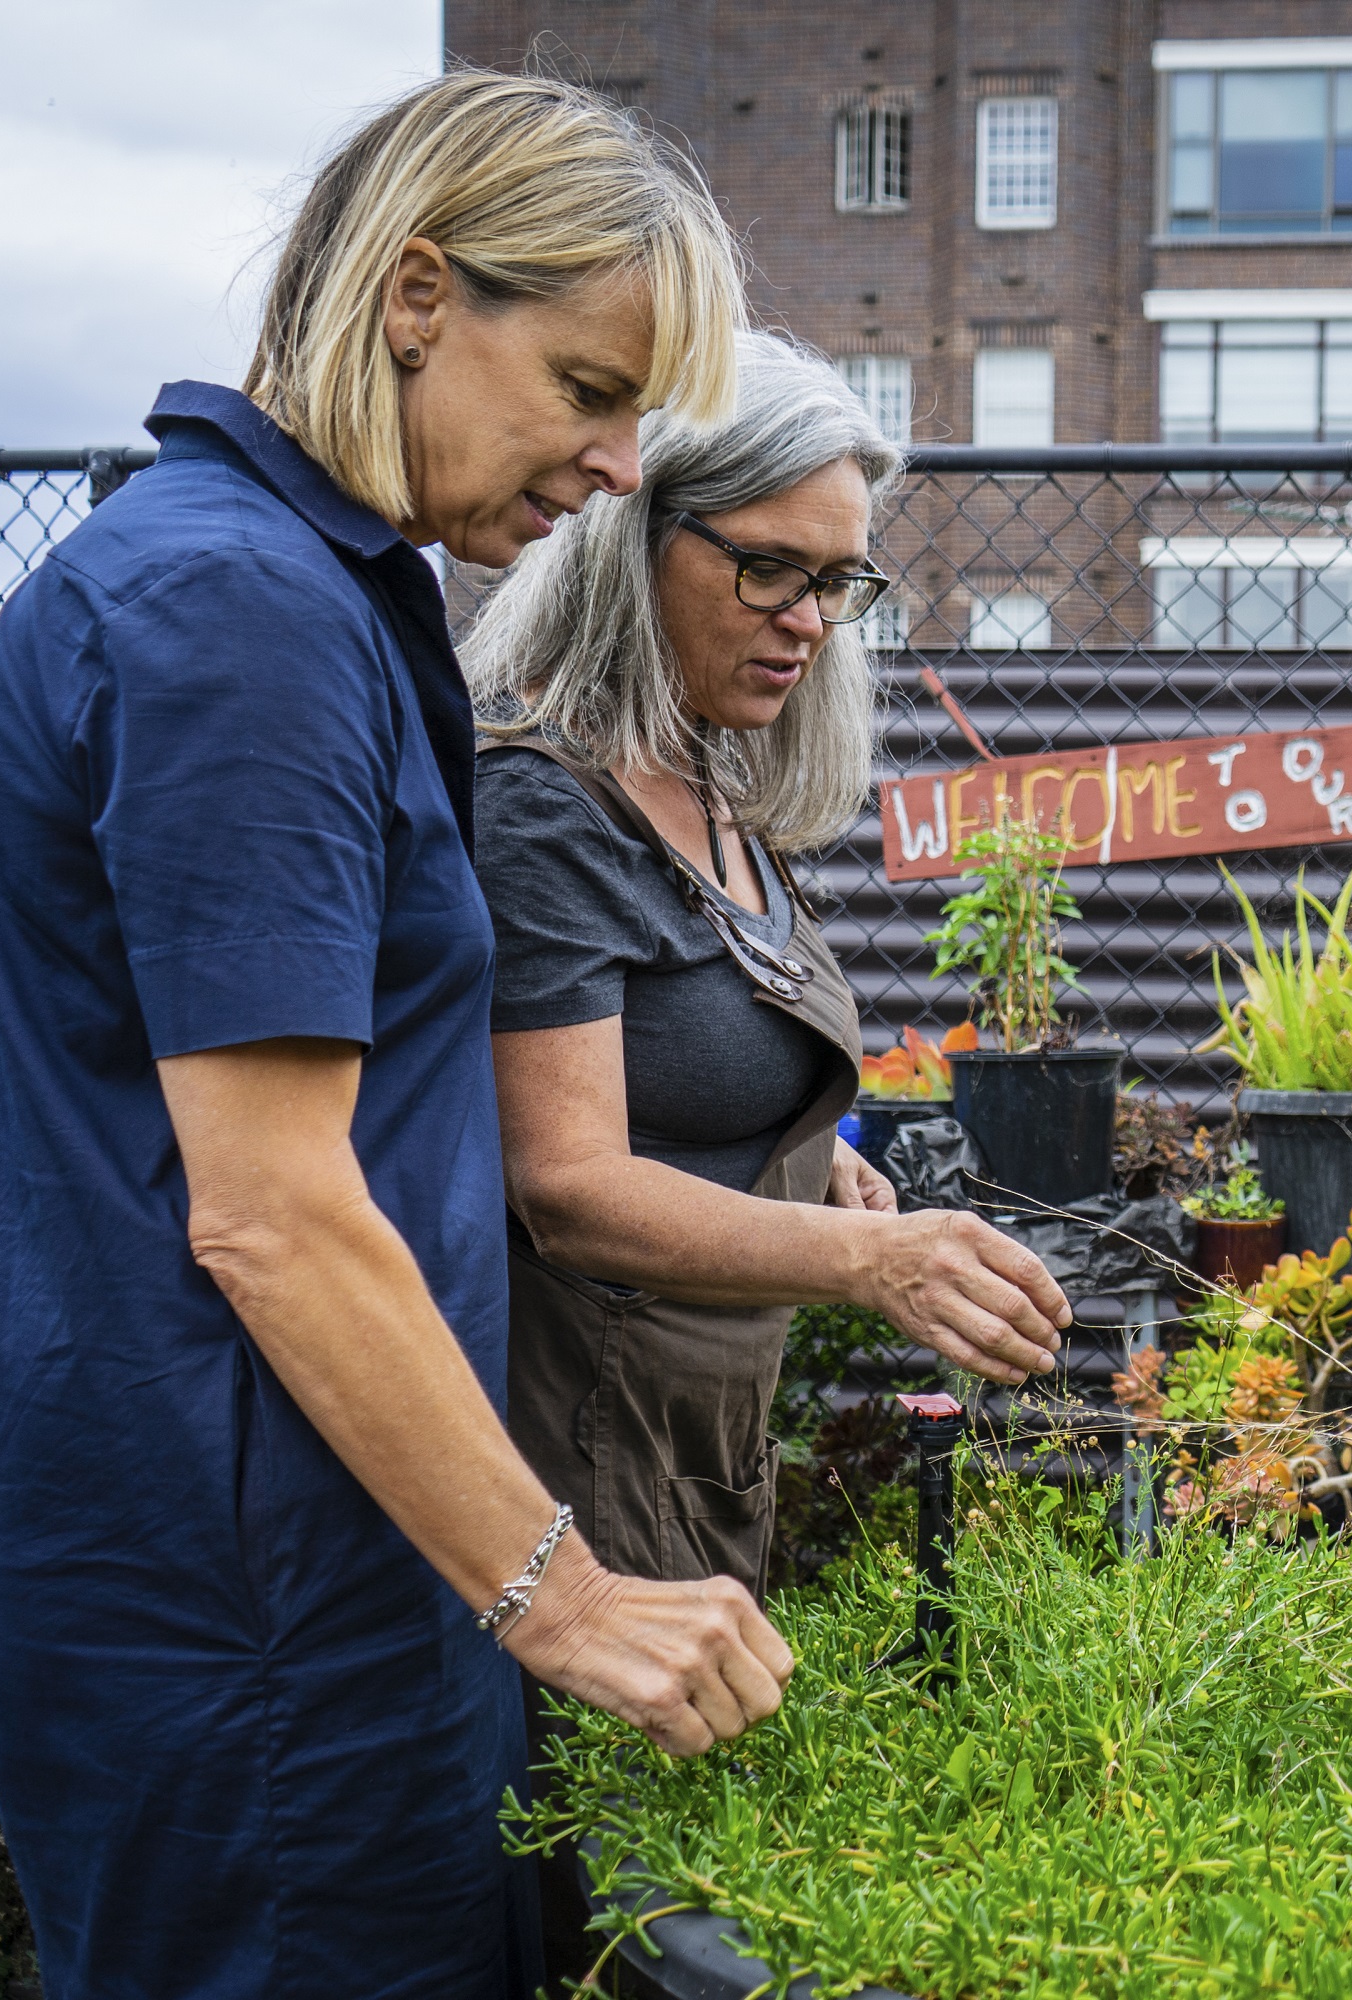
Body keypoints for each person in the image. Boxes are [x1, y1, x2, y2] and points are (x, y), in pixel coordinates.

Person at [0, 74, 791, 1999]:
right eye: (587, 386)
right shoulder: (235, 613)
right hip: (265, 1637)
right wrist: (566, 1597)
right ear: (415, 295)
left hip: (319, 1581)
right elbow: (273, 1214)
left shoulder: (293, 583)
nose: (621, 464)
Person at [463, 331, 1067, 1594]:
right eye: (767, 569)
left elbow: (685, 1049)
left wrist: (817, 1156)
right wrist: (875, 1263)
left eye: (839, 581)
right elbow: (565, 1180)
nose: (809, 624)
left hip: (702, 1428)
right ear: (634, 540)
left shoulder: (706, 768)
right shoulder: (543, 807)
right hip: (583, 1444)